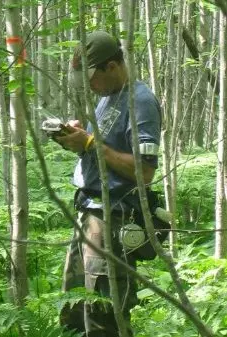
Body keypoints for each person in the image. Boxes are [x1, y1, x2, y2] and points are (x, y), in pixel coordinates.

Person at [56, 31, 162, 337]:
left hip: (113, 220)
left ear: (112, 66)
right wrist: (76, 137)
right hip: (90, 214)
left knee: (104, 316)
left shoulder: (140, 101)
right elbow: (101, 150)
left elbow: (144, 172)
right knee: (75, 310)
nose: (89, 85)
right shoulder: (107, 100)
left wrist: (90, 143)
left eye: (92, 77)